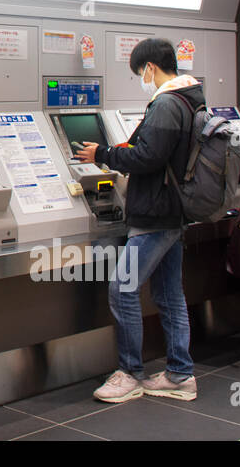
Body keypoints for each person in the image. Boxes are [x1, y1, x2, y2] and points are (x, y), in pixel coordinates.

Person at [76, 38, 200, 403]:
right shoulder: (192, 98)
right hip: (174, 211)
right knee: (169, 294)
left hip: (156, 214)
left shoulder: (166, 103)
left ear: (150, 67)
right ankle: (180, 374)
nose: (141, 79)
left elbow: (148, 156)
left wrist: (102, 153)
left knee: (122, 288)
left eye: (139, 73)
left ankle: (129, 373)